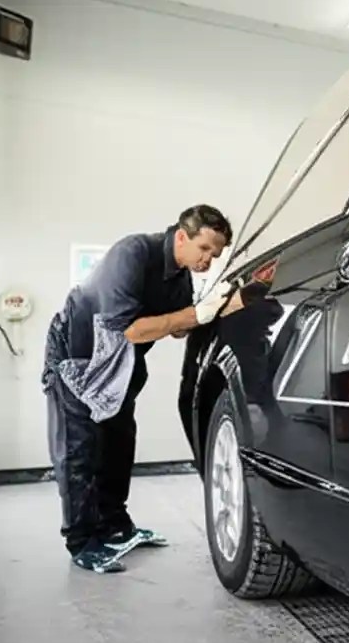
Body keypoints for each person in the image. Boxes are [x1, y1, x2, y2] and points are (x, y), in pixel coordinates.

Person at [42, 204, 237, 573]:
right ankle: (82, 542)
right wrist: (196, 314)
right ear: (182, 236)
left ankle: (115, 525)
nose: (209, 260)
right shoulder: (132, 253)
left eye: (216, 254)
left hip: (120, 363)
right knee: (80, 446)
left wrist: (218, 303)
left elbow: (178, 328)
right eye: (205, 249)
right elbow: (127, 329)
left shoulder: (180, 277)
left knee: (119, 441)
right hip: (77, 354)